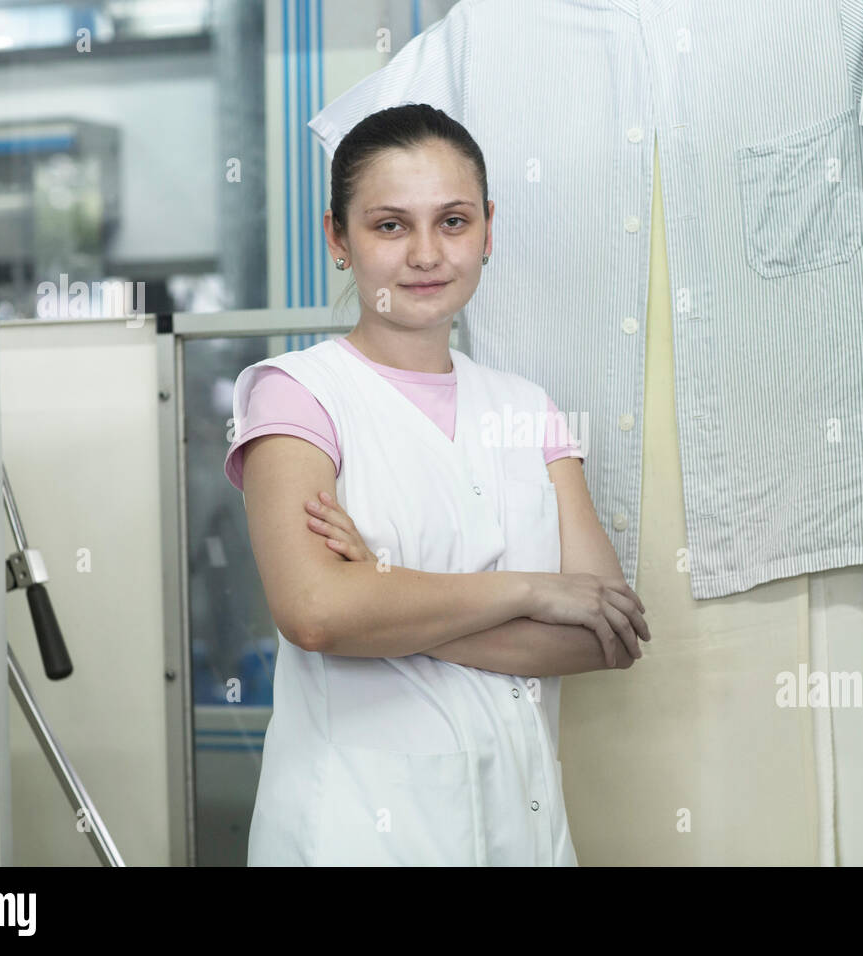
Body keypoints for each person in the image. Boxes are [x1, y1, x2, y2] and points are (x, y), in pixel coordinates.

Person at [224, 103, 650, 866]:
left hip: (523, 828)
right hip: (355, 831)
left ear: (488, 228)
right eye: (390, 226)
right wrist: (532, 591)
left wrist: (386, 599)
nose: (425, 254)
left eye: (452, 222)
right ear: (339, 239)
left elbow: (606, 638)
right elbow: (318, 615)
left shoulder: (528, 407)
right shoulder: (296, 396)